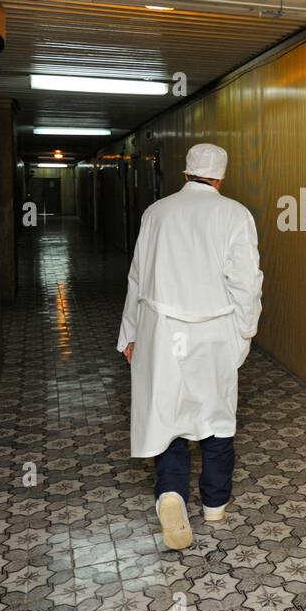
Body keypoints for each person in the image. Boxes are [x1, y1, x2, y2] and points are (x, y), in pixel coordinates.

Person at [116, 143, 263, 549]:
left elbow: (138, 277)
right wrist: (245, 331)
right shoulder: (235, 213)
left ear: (185, 173)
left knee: (168, 415)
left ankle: (171, 494)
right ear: (221, 177)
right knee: (217, 416)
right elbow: (246, 282)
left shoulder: (156, 212)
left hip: (162, 330)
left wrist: (129, 334)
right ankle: (215, 505)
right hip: (214, 331)